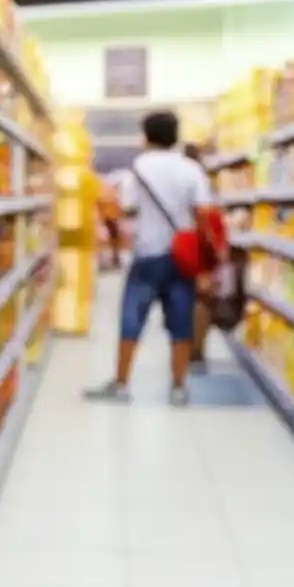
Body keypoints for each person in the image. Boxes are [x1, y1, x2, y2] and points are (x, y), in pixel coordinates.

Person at [85, 112, 217, 406]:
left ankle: (121, 385)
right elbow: (204, 214)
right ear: (176, 135)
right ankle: (179, 388)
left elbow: (129, 209)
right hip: (182, 257)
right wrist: (207, 262)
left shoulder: (139, 170)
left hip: (147, 256)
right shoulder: (191, 169)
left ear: (145, 137)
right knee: (181, 323)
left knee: (131, 319)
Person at [182, 143, 213, 373]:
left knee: (183, 299)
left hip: (182, 245)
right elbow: (206, 214)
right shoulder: (201, 177)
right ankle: (197, 349)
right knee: (202, 299)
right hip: (200, 245)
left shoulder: (181, 174)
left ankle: (185, 346)